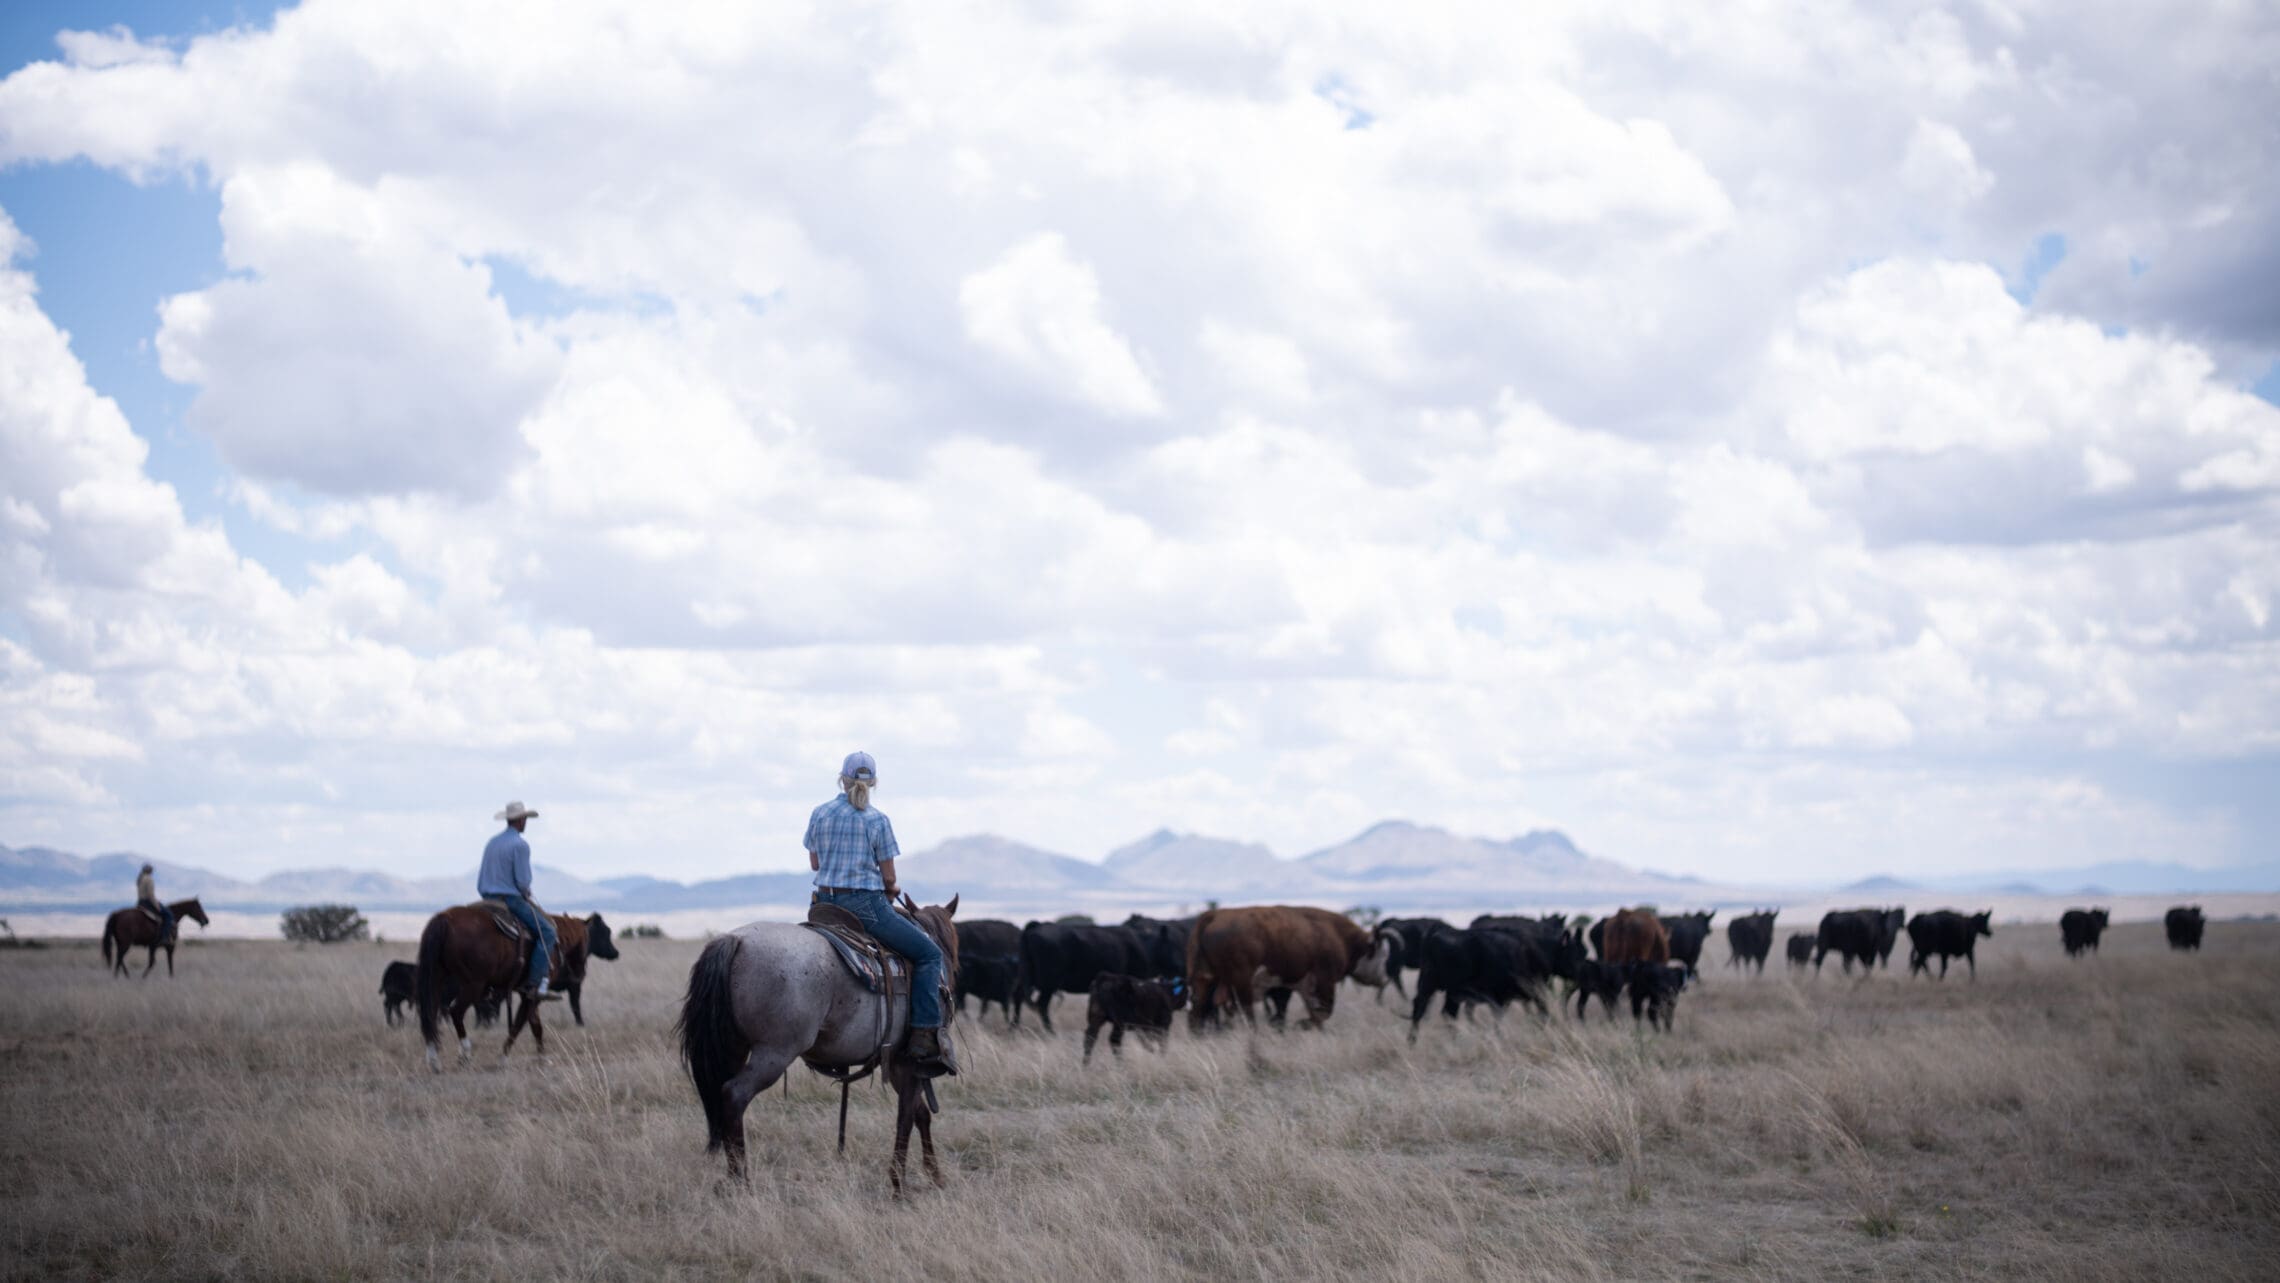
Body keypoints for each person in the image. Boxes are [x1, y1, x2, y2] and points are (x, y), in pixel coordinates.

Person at [807, 751, 951, 1074]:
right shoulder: (877, 820)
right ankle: (923, 1034)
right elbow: (889, 877)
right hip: (865, 909)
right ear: (872, 783)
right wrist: (891, 889)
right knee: (929, 954)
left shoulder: (819, 813)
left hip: (824, 907)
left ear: (842, 780)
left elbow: (815, 864)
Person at [477, 801, 560, 1002]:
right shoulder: (520, 845)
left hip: (486, 899)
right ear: (521, 820)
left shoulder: (492, 842)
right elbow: (523, 882)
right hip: (509, 900)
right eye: (525, 819)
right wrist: (526, 892)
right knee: (547, 932)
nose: (525, 823)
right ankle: (533, 983)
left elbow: (481, 880)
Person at [135, 862, 173, 943]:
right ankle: (164, 937)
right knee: (168, 915)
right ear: (150, 871)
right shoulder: (149, 879)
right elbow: (150, 895)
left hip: (140, 902)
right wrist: (157, 906)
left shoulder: (140, 878)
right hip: (148, 902)